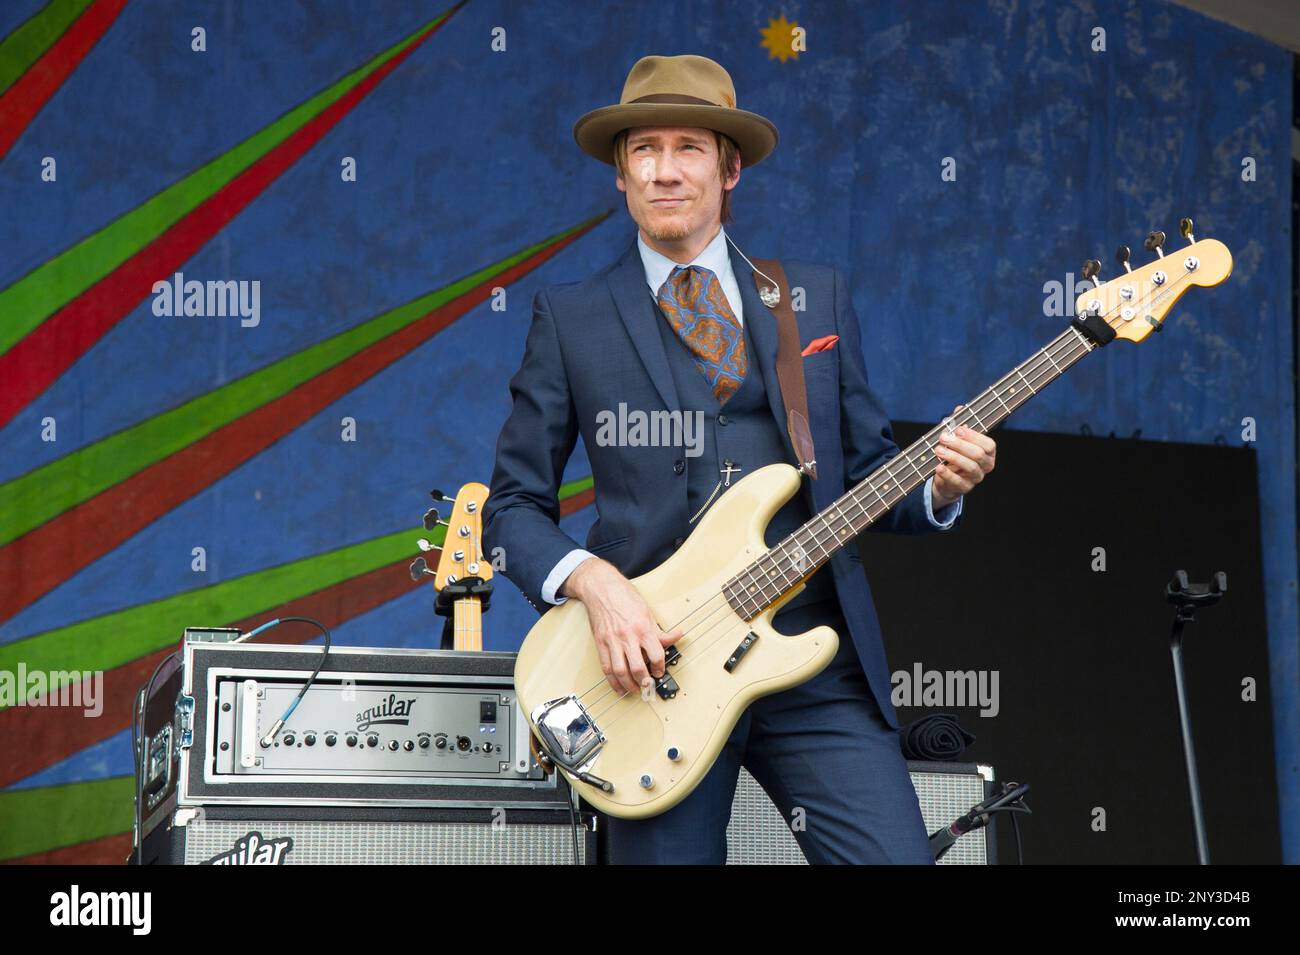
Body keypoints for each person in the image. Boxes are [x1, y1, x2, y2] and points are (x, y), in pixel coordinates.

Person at [484, 54, 996, 864]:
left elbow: (867, 474)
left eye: (689, 148)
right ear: (621, 175)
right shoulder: (571, 317)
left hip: (813, 661)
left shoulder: (812, 298)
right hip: (649, 672)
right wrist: (596, 585)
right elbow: (511, 509)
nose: (664, 171)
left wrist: (935, 486)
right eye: (643, 150)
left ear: (731, 170)